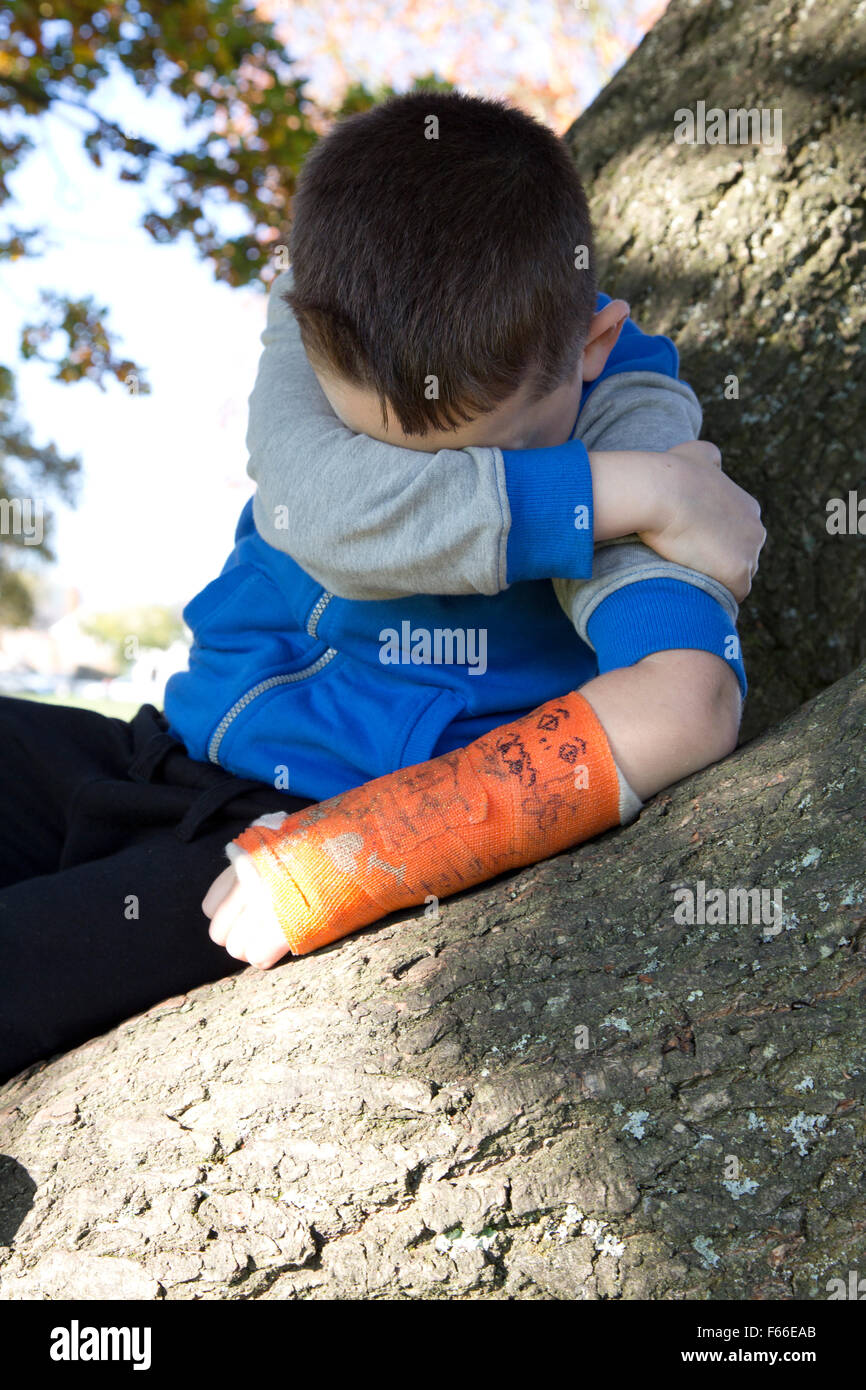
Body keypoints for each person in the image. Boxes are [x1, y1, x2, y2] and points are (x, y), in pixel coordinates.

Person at [0, 91, 764, 1083]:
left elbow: (687, 700)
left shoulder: (629, 415)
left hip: (276, 836)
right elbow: (325, 514)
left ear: (589, 344)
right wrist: (611, 497)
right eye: (374, 448)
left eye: (478, 457)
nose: (419, 492)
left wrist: (358, 851)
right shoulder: (331, 309)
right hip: (158, 749)